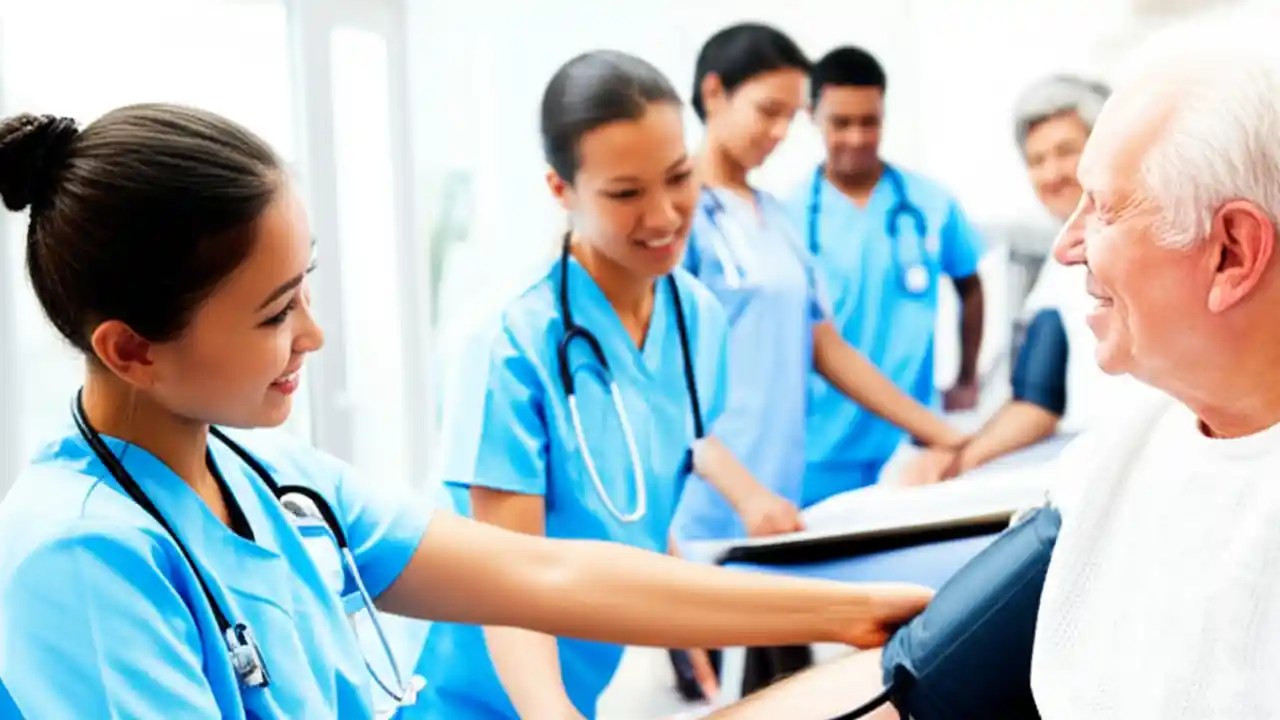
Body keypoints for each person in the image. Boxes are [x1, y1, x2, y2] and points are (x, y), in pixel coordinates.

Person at [0, 104, 936, 719]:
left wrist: (857, 611)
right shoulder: (81, 557)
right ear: (131, 350)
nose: (314, 336)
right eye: (277, 313)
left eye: (306, 291)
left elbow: (543, 576)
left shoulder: (276, 481)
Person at [697, 29, 1280, 720]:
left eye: (1103, 206)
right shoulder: (1110, 469)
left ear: (1231, 253)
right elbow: (908, 679)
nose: (1065, 244)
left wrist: (953, 437)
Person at [403, 50, 853, 720]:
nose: (666, 216)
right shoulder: (512, 343)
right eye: (625, 193)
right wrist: (550, 711)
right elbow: (508, 578)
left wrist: (673, 611)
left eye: (678, 178)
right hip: (465, 691)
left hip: (579, 678)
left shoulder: (696, 318)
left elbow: (640, 486)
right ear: (562, 190)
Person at [675, 23, 965, 537]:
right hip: (708, 499)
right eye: (768, 111)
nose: (781, 133)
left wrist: (949, 436)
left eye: (791, 117)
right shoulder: (677, 218)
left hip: (777, 502)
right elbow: (657, 381)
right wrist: (745, 494)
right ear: (714, 93)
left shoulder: (776, 219)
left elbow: (827, 349)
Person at [789, 46, 986, 504]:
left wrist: (966, 377)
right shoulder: (787, 217)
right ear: (812, 116)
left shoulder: (930, 203)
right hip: (821, 447)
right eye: (841, 123)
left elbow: (970, 284)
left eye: (870, 122)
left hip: (915, 439)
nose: (857, 137)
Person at [903, 75, 1116, 484]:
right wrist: (959, 456)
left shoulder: (1140, 245)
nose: (1051, 173)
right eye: (1036, 160)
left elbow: (1038, 407)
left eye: (1065, 152)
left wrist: (958, 462)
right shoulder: (1061, 267)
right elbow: (1038, 395)